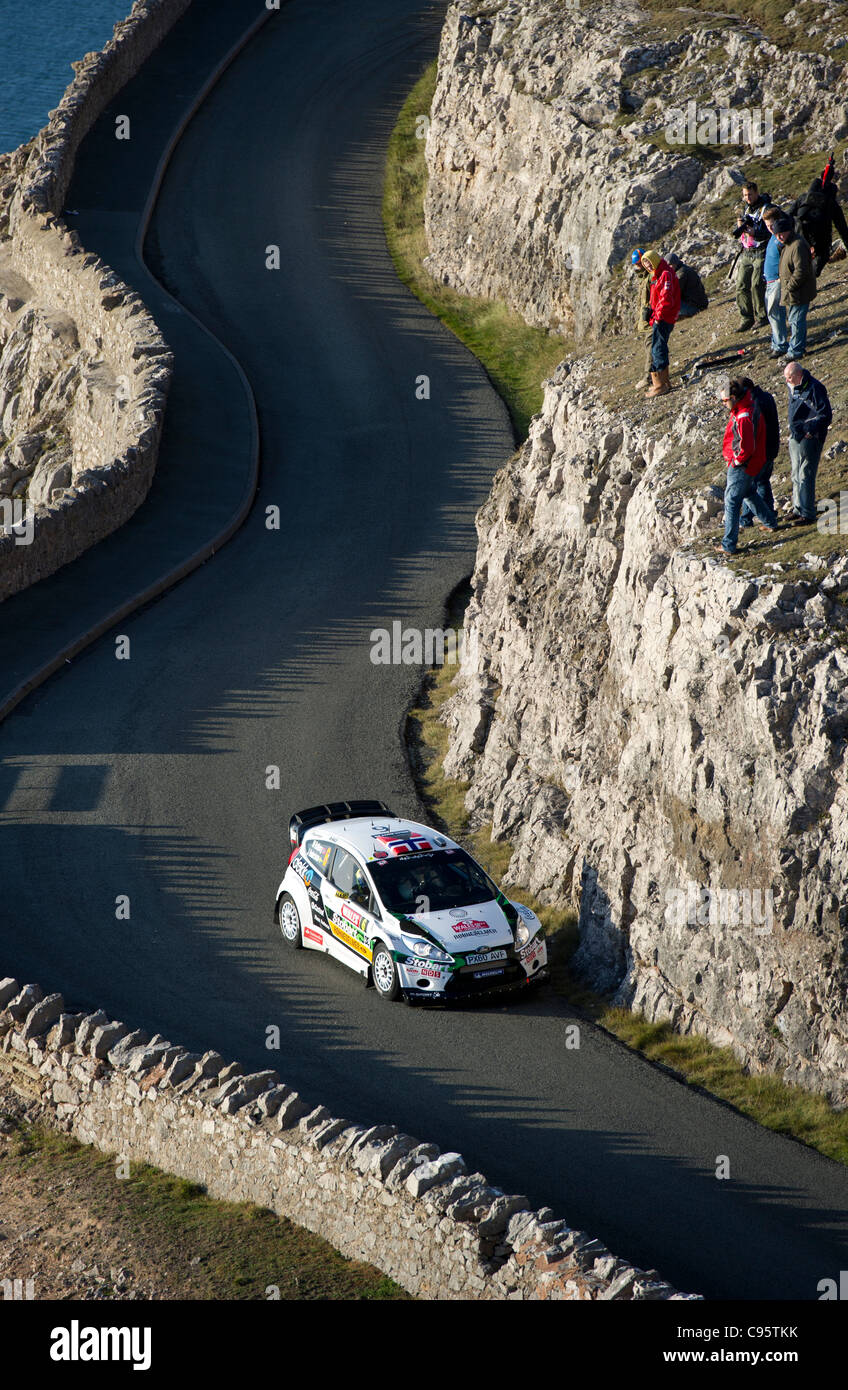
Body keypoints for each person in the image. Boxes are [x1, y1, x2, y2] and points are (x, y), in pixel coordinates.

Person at [716, 376, 778, 555]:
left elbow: (746, 446)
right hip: (751, 463)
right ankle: (770, 522)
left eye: (725, 400)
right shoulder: (747, 406)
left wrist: (736, 460)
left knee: (732, 500)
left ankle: (729, 544)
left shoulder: (743, 416)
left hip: (742, 465)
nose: (723, 404)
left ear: (734, 397)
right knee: (749, 493)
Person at [784, 362, 832, 525]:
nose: (787, 380)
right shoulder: (794, 387)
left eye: (789, 377)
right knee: (796, 474)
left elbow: (825, 414)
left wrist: (810, 431)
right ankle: (798, 509)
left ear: (799, 375)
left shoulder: (814, 388)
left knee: (806, 473)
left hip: (809, 437)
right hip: (796, 435)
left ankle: (808, 513)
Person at [789, 155, 848, 276]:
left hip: (800, 238)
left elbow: (788, 215)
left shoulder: (803, 198)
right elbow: (842, 229)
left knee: (797, 266)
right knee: (818, 263)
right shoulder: (832, 204)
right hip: (821, 242)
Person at [738, 376, 780, 531]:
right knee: (763, 482)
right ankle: (769, 513)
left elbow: (754, 431)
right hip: (772, 448)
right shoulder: (767, 397)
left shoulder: (754, 404)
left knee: (749, 486)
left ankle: (746, 519)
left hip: (760, 451)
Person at [732, 178, 773, 330]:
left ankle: (762, 316)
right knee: (741, 285)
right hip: (748, 252)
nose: (747, 198)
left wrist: (756, 232)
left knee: (757, 284)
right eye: (744, 195)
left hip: (761, 250)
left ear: (756, 193)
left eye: (749, 194)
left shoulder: (766, 208)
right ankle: (746, 318)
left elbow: (771, 231)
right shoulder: (747, 209)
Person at [775, 215, 816, 361]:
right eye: (776, 234)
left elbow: (801, 271)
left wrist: (790, 286)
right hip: (793, 292)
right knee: (795, 320)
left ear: (789, 230)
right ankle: (798, 347)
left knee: (796, 321)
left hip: (799, 291)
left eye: (781, 233)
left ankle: (796, 351)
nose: (779, 237)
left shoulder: (797, 245)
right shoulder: (788, 244)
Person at [640, 249, 680, 397]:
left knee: (657, 349)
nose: (648, 266)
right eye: (645, 264)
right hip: (660, 316)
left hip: (664, 317)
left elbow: (666, 298)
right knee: (658, 347)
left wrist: (657, 316)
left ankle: (660, 385)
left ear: (655, 260)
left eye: (649, 262)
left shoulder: (665, 274)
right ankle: (664, 382)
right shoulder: (657, 274)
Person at [761, 206, 788, 358]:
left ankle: (780, 345)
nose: (770, 228)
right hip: (769, 281)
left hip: (776, 282)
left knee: (775, 313)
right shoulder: (773, 237)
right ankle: (776, 342)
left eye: (772, 225)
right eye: (767, 226)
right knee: (773, 314)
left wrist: (780, 277)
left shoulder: (780, 238)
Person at [631, 247, 653, 392]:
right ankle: (655, 374)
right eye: (637, 265)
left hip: (652, 319)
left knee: (651, 347)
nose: (639, 267)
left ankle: (648, 378)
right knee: (649, 347)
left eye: (640, 264)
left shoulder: (651, 277)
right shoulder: (642, 278)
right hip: (646, 321)